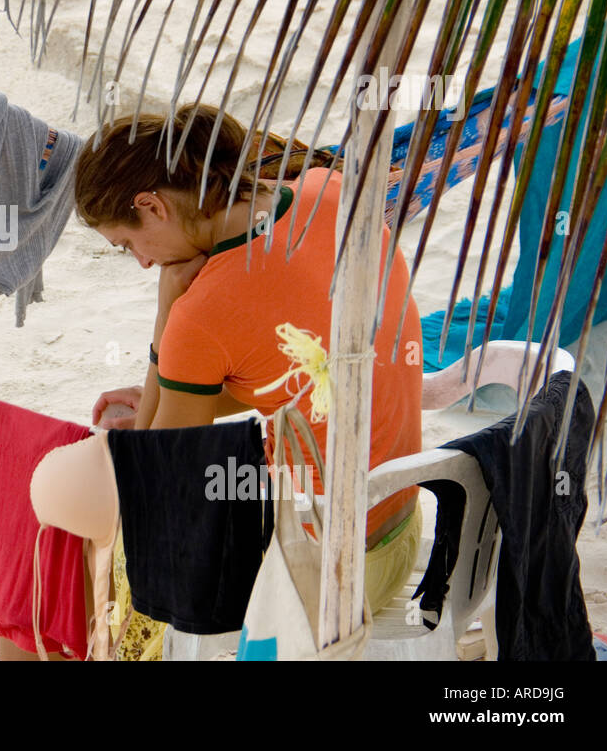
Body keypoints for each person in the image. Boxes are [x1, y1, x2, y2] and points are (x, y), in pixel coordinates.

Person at [80, 105, 424, 621]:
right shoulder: (325, 189)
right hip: (399, 529)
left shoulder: (200, 312)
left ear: (152, 205)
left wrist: (166, 315)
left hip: (326, 580)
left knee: (69, 543)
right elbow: (303, 371)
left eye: (128, 243)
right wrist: (182, 393)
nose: (144, 261)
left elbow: (156, 484)